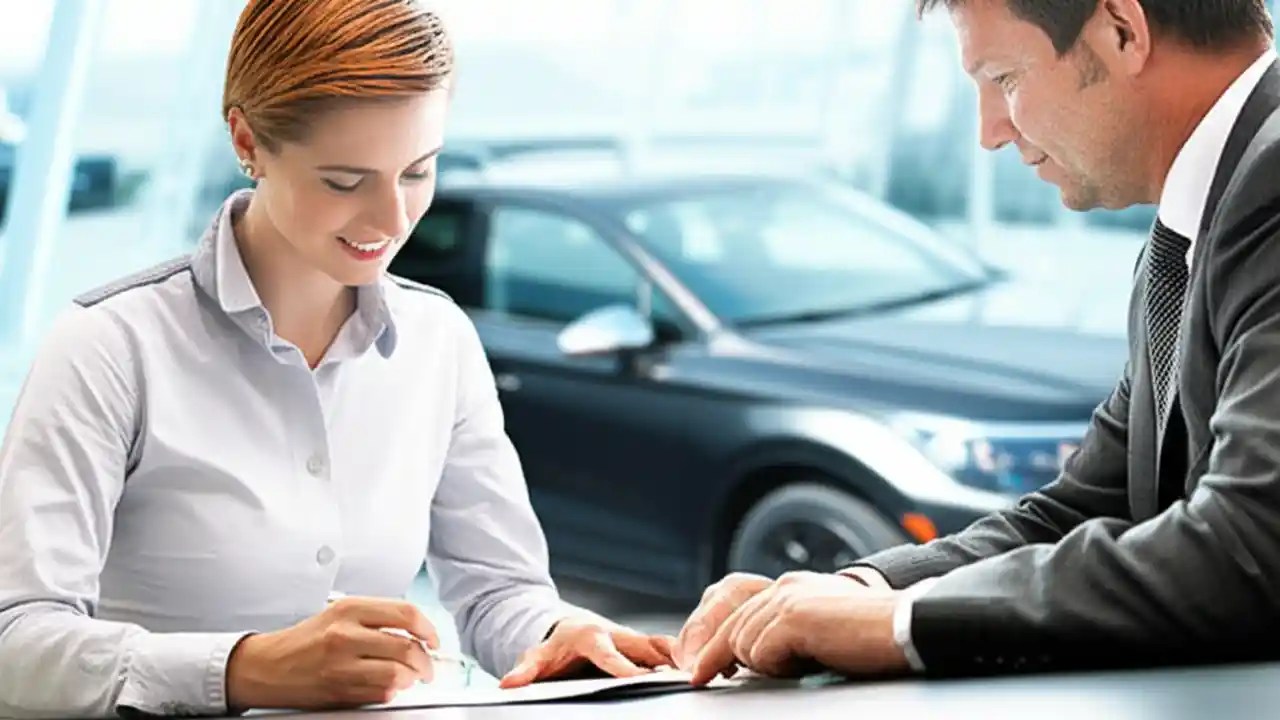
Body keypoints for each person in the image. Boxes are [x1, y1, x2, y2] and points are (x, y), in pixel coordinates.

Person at [0, 2, 674, 717]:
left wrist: (560, 632)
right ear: (247, 140)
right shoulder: (111, 346)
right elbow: (15, 645)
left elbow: (499, 592)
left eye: (417, 172)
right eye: (344, 181)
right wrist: (244, 668)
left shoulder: (439, 341)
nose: (391, 220)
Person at [675, 0, 1280, 684]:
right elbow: (1089, 504)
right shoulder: (1192, 235)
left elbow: (1251, 545)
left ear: (1121, 29)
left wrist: (903, 626)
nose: (991, 132)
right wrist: (863, 591)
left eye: (1006, 78)